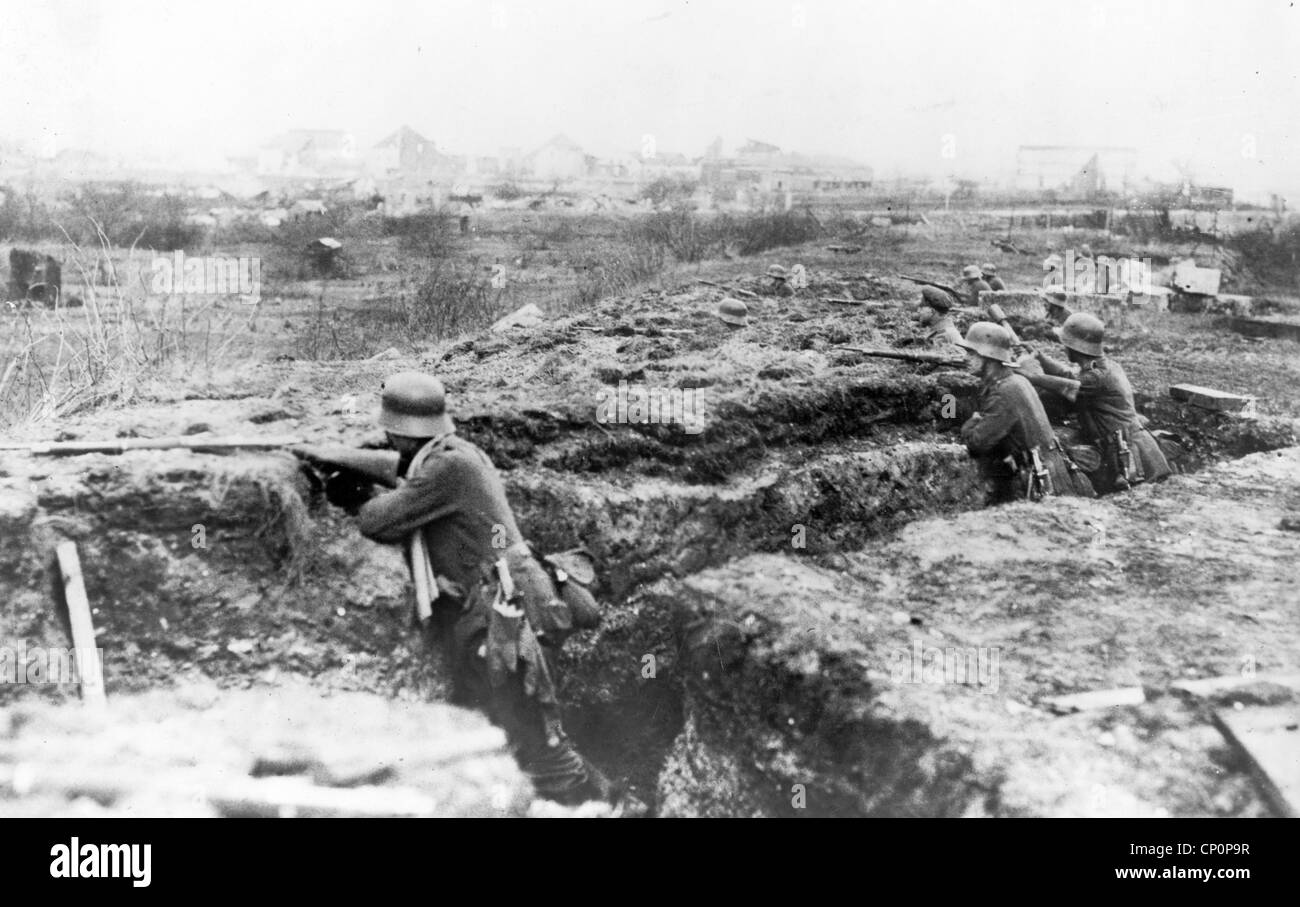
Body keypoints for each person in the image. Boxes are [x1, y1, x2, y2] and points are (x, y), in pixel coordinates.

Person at [299, 372, 616, 807]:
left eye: (391, 433)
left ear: (398, 430)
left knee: (533, 735)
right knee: (517, 726)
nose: (388, 439)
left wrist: (354, 495)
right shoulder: (457, 453)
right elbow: (400, 469)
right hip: (517, 599)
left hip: (508, 615)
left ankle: (601, 805)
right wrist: (326, 453)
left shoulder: (447, 468)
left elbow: (379, 520)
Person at [1016, 313, 1172, 494]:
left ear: (1074, 347)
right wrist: (1040, 357)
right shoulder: (1104, 367)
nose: (1064, 347)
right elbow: (1070, 376)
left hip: (1135, 456)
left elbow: (1070, 386)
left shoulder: (1096, 377)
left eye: (1066, 344)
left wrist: (1032, 376)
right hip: (1131, 448)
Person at [958, 323, 1095, 504]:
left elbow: (977, 443)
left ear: (988, 356)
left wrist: (968, 423)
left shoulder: (1004, 391)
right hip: (1051, 469)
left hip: (1041, 480)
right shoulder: (1016, 381)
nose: (964, 358)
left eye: (971, 353)